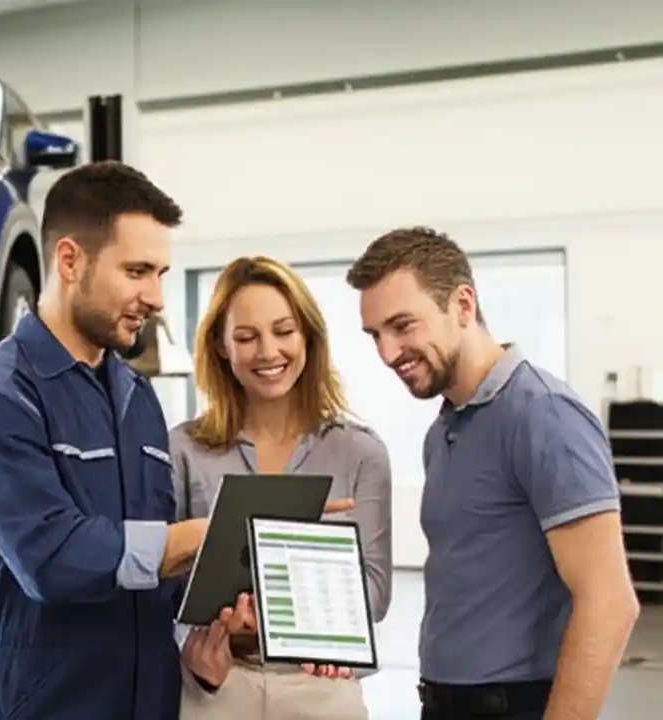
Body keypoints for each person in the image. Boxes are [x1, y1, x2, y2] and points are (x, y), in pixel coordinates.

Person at [0, 160, 213, 720]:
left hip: (144, 699)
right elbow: (54, 559)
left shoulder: (136, 396)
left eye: (161, 272)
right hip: (43, 702)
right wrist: (209, 535)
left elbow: (147, 561)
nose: (156, 297)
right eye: (137, 271)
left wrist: (218, 622)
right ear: (69, 260)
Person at [345, 227, 641, 720]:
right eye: (376, 335)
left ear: (463, 305)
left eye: (403, 326)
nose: (388, 353)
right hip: (444, 703)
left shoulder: (543, 414)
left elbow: (609, 602)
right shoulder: (443, 430)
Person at [169, 256, 394, 719]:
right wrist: (194, 647)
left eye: (284, 331)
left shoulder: (360, 452)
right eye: (246, 337)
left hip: (322, 687)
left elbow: (374, 591)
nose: (268, 352)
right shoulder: (184, 449)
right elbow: (162, 581)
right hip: (216, 686)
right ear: (221, 346)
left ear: (308, 336)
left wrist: (276, 609)